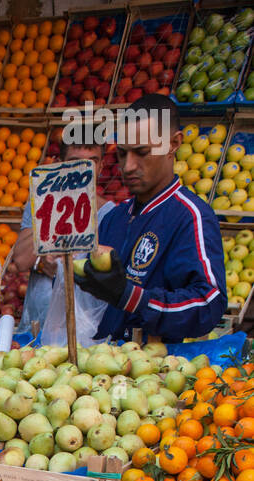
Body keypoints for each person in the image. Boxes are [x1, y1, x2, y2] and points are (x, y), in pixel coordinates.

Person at [75, 95, 227, 342]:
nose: (128, 166)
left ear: (173, 144)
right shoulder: (114, 217)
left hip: (157, 371)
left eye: (142, 152)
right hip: (103, 367)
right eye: (122, 154)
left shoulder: (190, 216)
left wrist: (131, 296)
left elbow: (209, 304)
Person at [11, 140, 109, 336]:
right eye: (74, 162)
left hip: (86, 333)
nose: (82, 171)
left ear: (101, 167)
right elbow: (21, 260)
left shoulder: (109, 213)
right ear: (59, 163)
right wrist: (55, 212)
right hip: (37, 327)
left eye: (91, 162)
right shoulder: (40, 203)